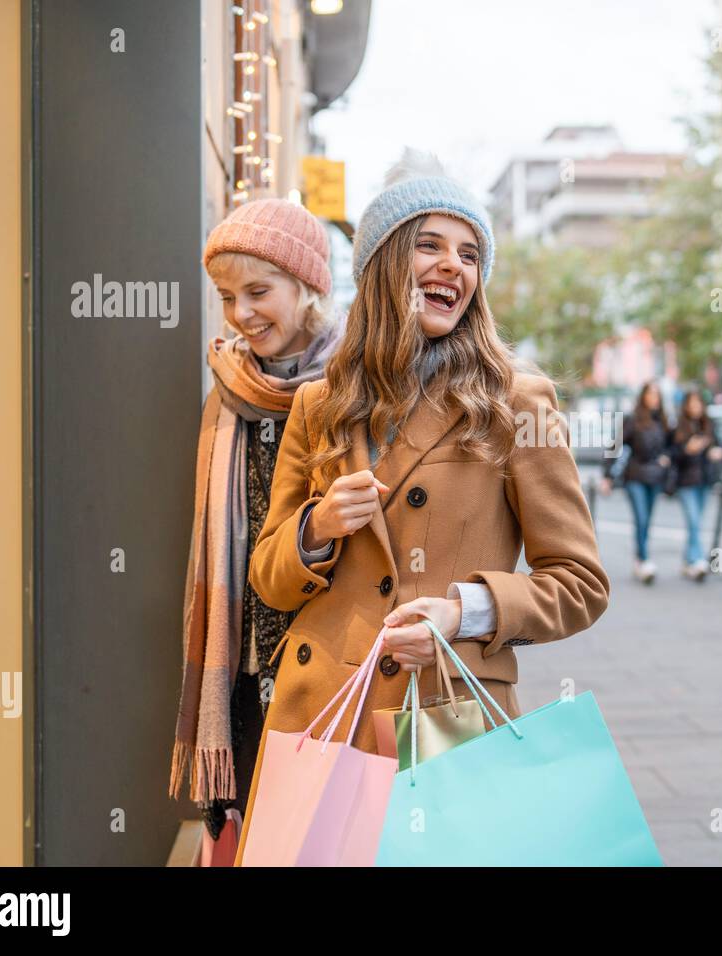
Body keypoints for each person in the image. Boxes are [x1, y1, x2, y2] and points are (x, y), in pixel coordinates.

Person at [230, 150, 610, 864]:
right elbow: (268, 578)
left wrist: (463, 612)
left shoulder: (514, 403)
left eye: (469, 253)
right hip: (323, 716)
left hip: (446, 716)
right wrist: (316, 529)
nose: (453, 266)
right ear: (382, 265)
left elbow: (581, 585)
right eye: (429, 244)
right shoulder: (321, 404)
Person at [169, 199, 341, 861]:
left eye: (259, 291)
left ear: (308, 289)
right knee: (251, 828)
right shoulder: (227, 387)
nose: (242, 314)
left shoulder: (353, 386)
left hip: (324, 643)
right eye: (227, 297)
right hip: (242, 652)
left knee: (323, 826)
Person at [599, 382, 670, 584]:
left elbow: (672, 447)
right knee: (640, 518)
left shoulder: (663, 422)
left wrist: (667, 458)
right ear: (643, 396)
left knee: (647, 520)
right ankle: (643, 559)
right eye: (651, 394)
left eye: (657, 394)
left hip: (656, 477)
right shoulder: (633, 420)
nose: (654, 398)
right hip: (636, 476)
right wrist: (607, 476)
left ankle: (641, 557)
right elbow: (615, 446)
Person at [667, 388, 722, 581]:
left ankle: (687, 560)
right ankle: (698, 561)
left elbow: (719, 446)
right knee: (693, 522)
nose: (695, 407)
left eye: (698, 403)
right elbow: (672, 455)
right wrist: (687, 450)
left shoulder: (709, 426)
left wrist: (715, 452)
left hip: (705, 480)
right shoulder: (678, 428)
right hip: (685, 481)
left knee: (697, 523)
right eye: (691, 403)